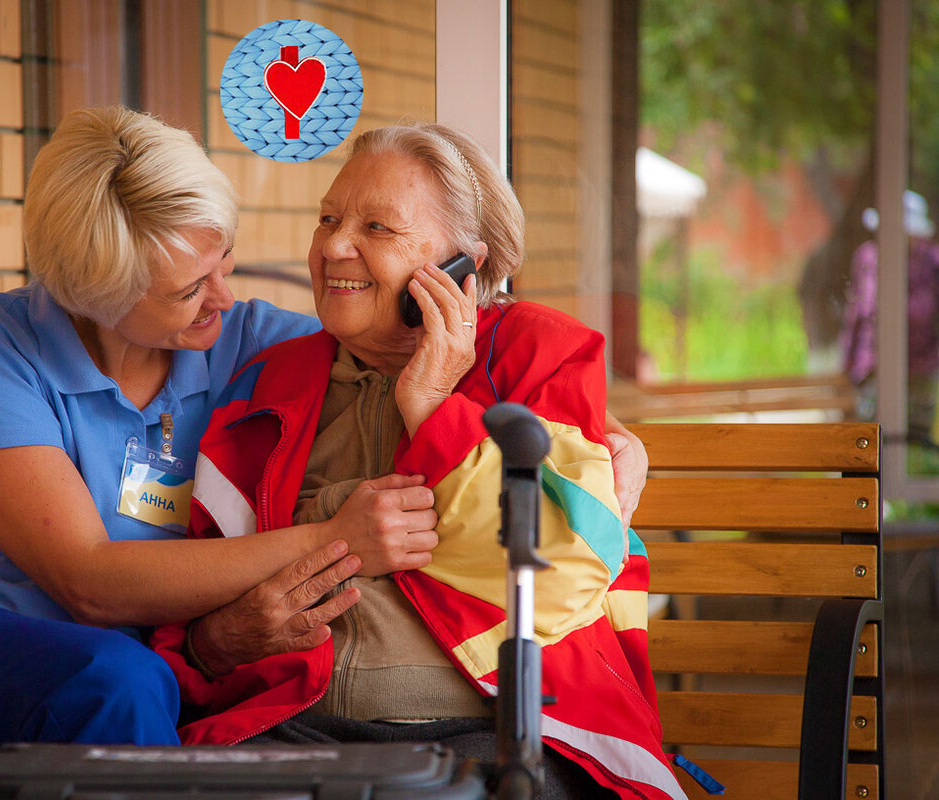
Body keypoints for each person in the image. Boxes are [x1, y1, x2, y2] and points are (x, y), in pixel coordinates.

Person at [0, 106, 649, 799]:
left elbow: (386, 344)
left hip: (152, 675)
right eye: (189, 290)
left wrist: (611, 461)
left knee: (140, 687)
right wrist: (341, 541)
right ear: (94, 297)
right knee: (124, 683)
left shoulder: (249, 343)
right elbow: (88, 582)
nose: (228, 296)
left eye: (225, 263)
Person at [152, 122, 684, 800]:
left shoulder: (535, 355)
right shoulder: (267, 385)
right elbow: (203, 614)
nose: (335, 246)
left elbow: (560, 577)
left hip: (506, 734)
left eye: (378, 227)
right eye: (328, 219)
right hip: (294, 730)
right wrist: (219, 640)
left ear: (467, 263)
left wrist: (431, 401)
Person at [841, 189, 939, 447]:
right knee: (868, 439)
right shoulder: (868, 256)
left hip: (919, 364)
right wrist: (849, 361)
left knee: (916, 437)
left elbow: (926, 312)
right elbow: (857, 310)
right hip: (873, 365)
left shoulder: (931, 261)